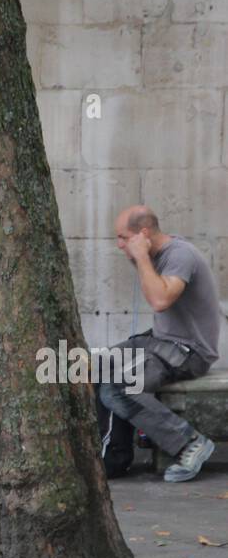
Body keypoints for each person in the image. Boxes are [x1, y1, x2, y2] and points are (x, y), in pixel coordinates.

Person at [97, 206, 220, 482]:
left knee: (122, 386)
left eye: (123, 237)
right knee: (99, 367)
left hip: (189, 351)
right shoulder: (158, 255)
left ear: (143, 234)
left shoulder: (180, 255)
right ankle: (114, 458)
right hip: (161, 342)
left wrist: (140, 256)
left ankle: (189, 442)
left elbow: (160, 300)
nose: (119, 245)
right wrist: (140, 255)